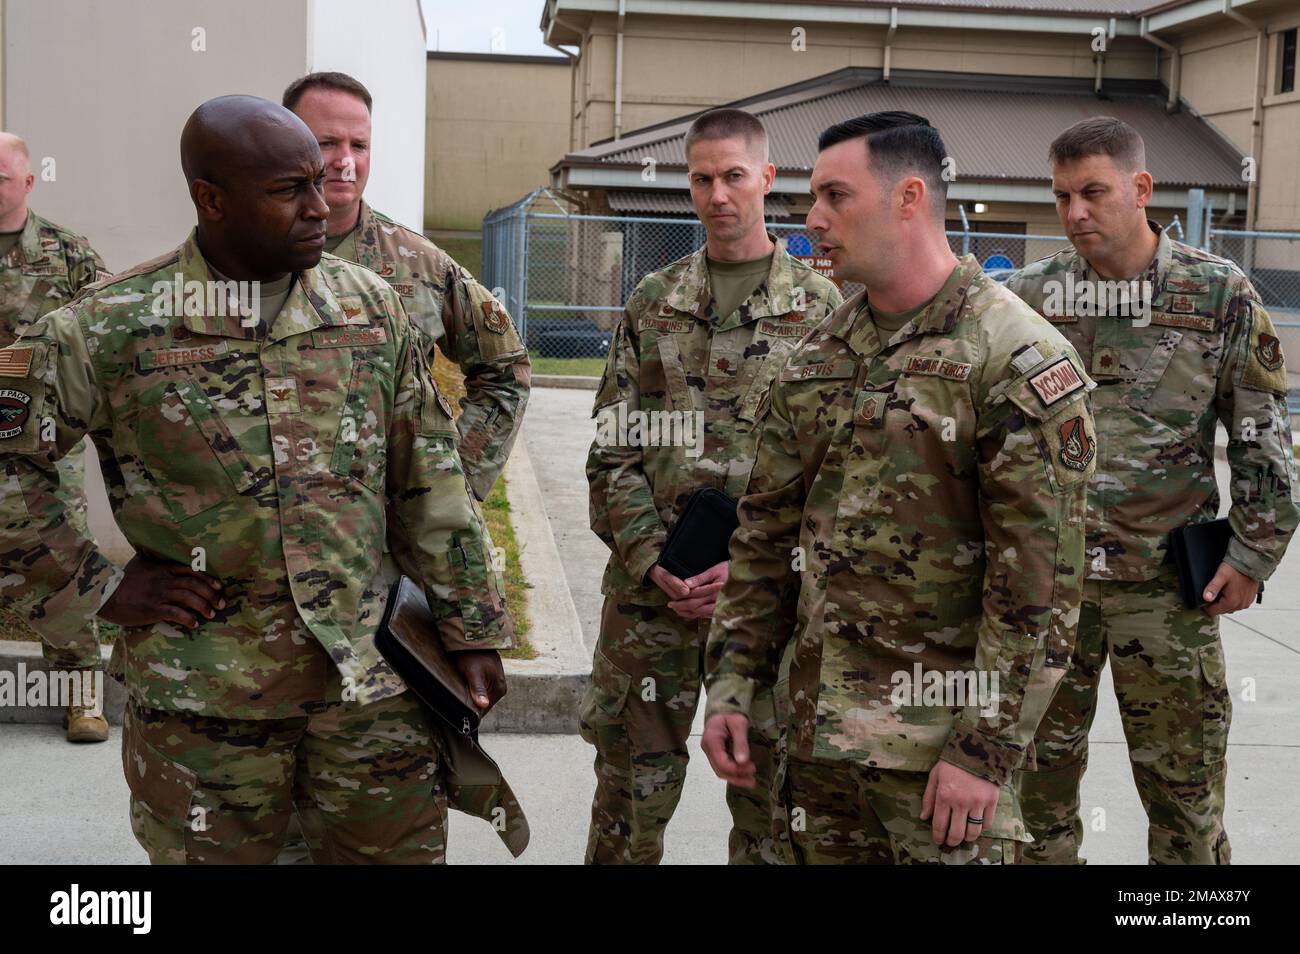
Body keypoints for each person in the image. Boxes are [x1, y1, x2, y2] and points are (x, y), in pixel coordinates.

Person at [0, 95, 522, 864]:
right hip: (206, 705)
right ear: (210, 199)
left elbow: (430, 475)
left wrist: (470, 624)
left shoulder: (369, 307)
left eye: (320, 180)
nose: (321, 205)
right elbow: (13, 467)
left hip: (372, 690)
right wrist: (94, 585)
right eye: (289, 190)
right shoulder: (111, 327)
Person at [701, 111, 1095, 864]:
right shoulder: (819, 354)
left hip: (933, 772)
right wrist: (731, 683)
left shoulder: (1014, 360)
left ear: (909, 197)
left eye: (835, 197)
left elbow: (1041, 592)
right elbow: (762, 540)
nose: (812, 218)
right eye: (813, 197)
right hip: (809, 754)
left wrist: (982, 753)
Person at [1005, 116, 1299, 864]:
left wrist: (1254, 554)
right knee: (1032, 809)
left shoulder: (1216, 293)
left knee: (1186, 805)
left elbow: (1263, 434)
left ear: (1140, 189)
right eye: (1063, 195)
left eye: (1093, 193)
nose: (1075, 213)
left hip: (1167, 594)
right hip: (1047, 594)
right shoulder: (1026, 299)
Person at [583, 107, 842, 864]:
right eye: (702, 178)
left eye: (734, 176)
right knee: (628, 803)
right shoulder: (653, 299)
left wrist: (756, 568)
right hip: (650, 606)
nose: (718, 194)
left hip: (767, 605)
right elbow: (612, 446)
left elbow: (837, 472)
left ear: (767, 178)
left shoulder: (824, 310)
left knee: (770, 807)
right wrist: (649, 558)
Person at [282, 71, 529, 502]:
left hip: (384, 542)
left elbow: (505, 370)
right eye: (326, 143)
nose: (346, 161)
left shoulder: (418, 264)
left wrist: (454, 483)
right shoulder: (246, 258)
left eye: (358, 145)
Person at [0, 130, 111, 743]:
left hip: (41, 441)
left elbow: (107, 331)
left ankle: (80, 695)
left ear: (26, 181)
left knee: (60, 563)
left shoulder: (67, 255)